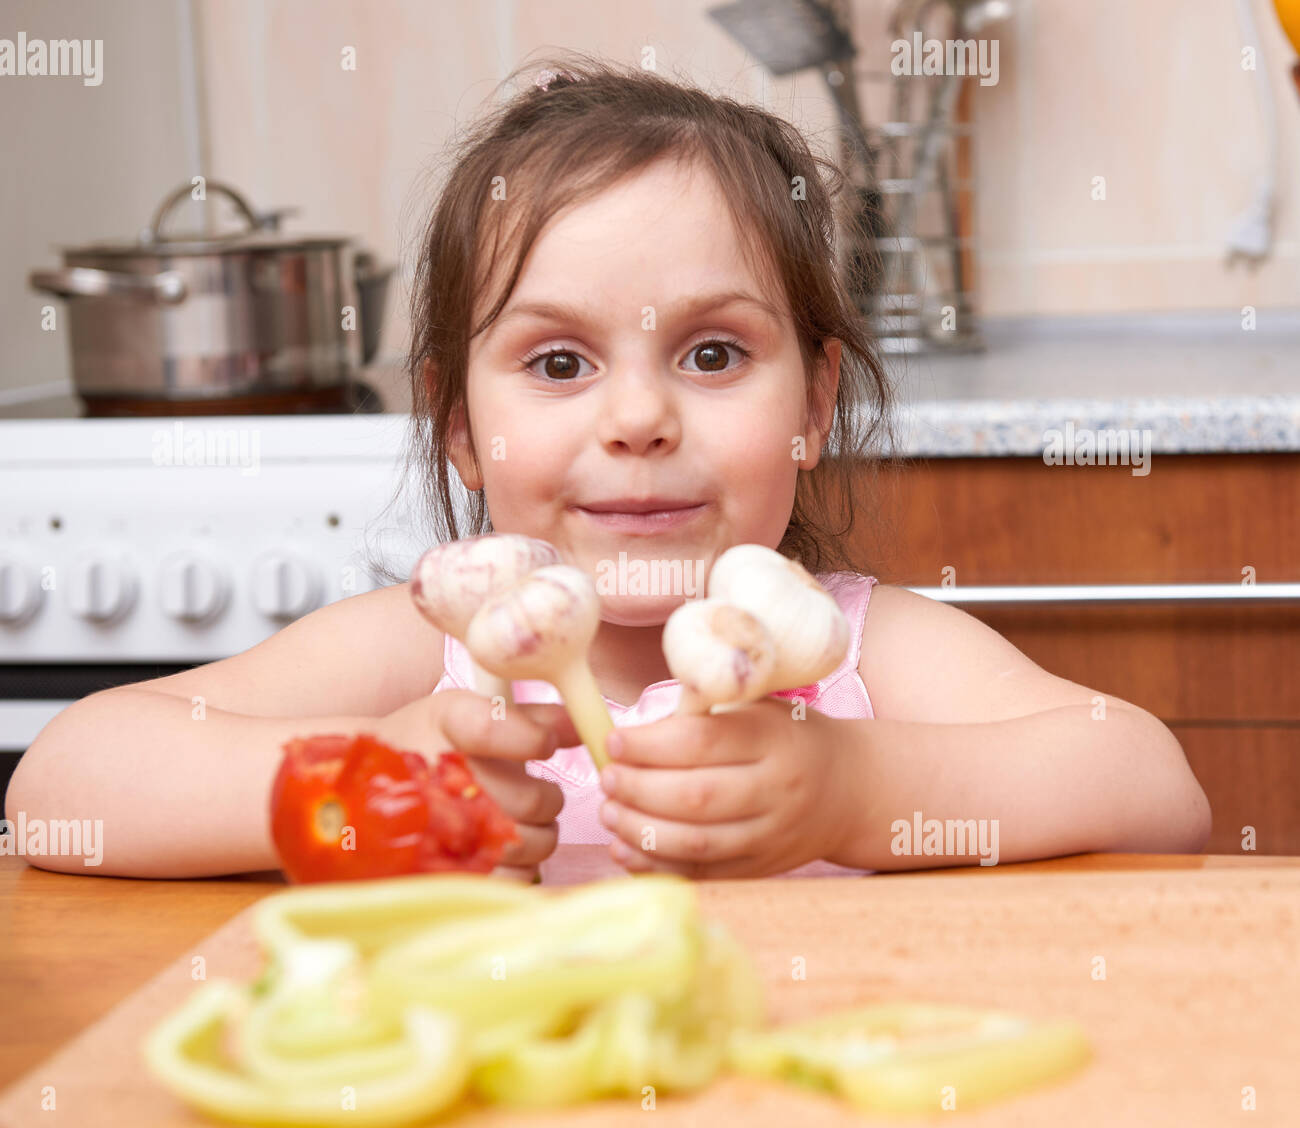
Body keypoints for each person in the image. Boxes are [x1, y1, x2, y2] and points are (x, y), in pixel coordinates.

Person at [7, 55, 1209, 881]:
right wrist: (368, 780)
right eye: (560, 361)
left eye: (711, 351)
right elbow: (59, 788)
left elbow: (1154, 786)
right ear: (459, 428)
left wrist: (849, 789)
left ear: (816, 402)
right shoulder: (421, 662)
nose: (638, 417)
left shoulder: (864, 658)